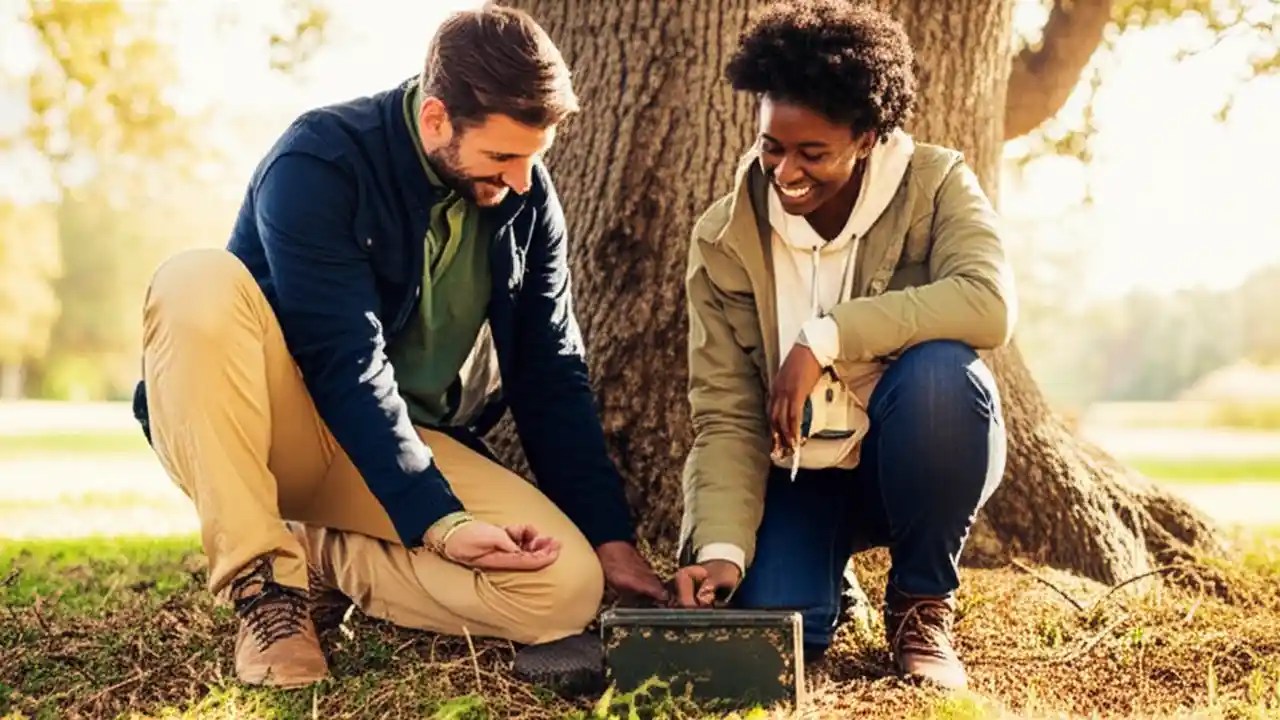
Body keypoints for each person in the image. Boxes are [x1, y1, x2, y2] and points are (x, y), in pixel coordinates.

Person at [132, 5, 666, 690]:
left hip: (400, 445)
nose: (522, 180)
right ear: (438, 118)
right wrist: (437, 522)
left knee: (564, 590)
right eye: (503, 156)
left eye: (535, 158)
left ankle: (328, 553)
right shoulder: (322, 160)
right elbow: (343, 360)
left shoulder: (526, 199)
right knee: (193, 280)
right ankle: (267, 591)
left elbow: (551, 374)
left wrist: (608, 537)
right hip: (279, 433)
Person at [672, 0, 1017, 691]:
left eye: (812, 152)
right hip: (802, 471)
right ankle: (825, 576)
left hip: (916, 454)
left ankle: (921, 606)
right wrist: (720, 548)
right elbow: (728, 412)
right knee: (782, 622)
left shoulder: (936, 182)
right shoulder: (724, 239)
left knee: (942, 376)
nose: (785, 171)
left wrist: (823, 338)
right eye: (773, 146)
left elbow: (988, 304)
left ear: (866, 137)